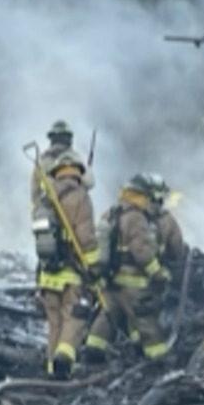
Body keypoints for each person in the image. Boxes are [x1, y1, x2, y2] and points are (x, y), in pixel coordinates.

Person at [81, 174, 171, 365]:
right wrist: (158, 272)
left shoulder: (111, 213)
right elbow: (142, 251)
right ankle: (159, 359)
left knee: (107, 316)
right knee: (146, 319)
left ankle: (93, 350)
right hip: (133, 283)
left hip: (111, 281)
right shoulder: (136, 217)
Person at [32, 149, 100, 380]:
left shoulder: (44, 198)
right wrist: (94, 268)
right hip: (71, 273)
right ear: (77, 173)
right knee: (74, 319)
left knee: (54, 325)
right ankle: (64, 364)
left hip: (47, 274)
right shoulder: (80, 197)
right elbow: (86, 239)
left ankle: (50, 370)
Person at [30, 120, 95, 210]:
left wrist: (38, 210)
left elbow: (35, 193)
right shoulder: (76, 158)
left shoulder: (41, 162)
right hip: (75, 210)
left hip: (48, 210)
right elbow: (89, 183)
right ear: (69, 138)